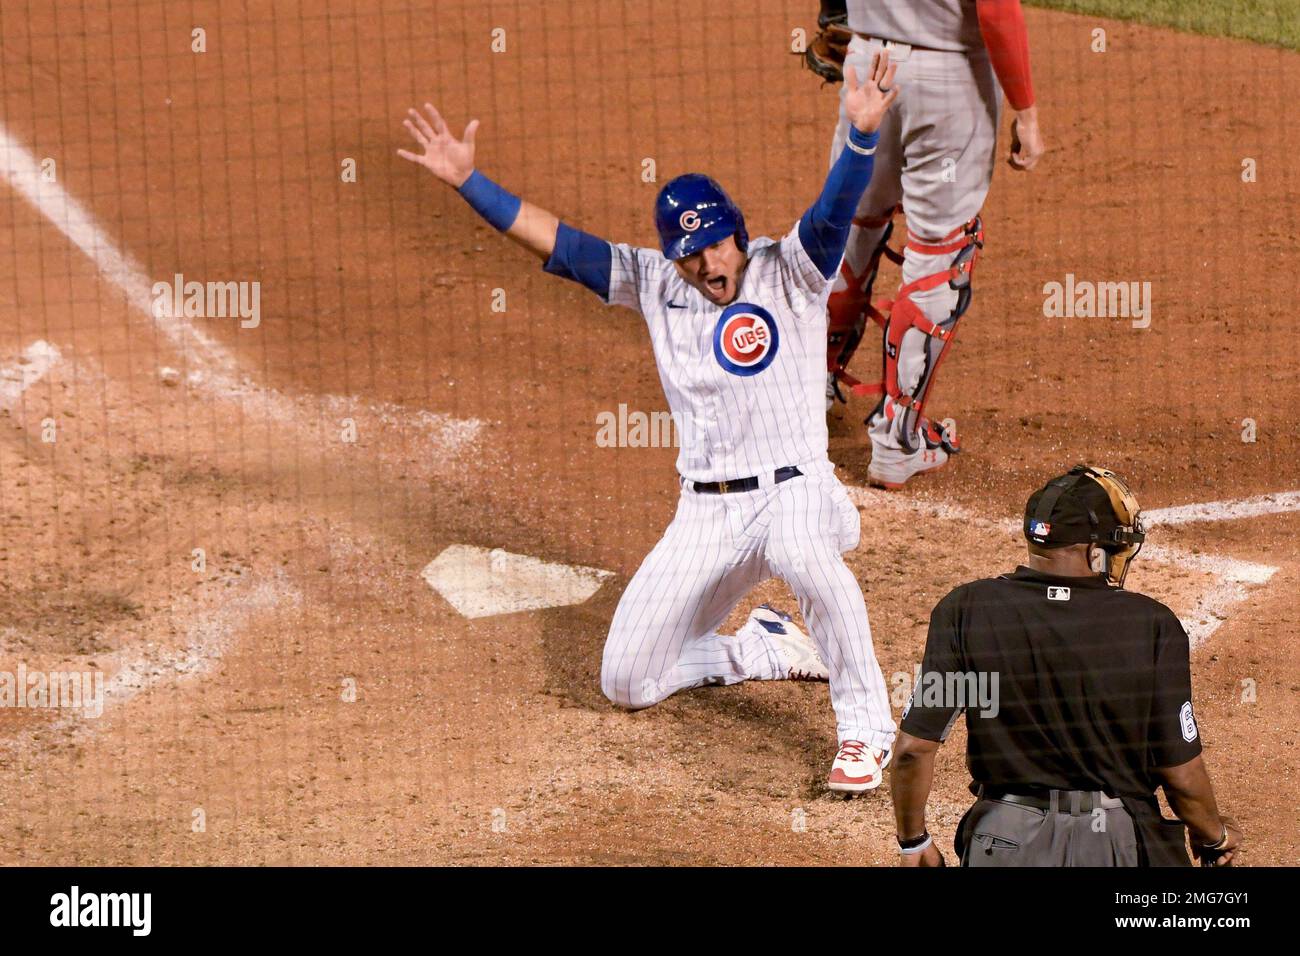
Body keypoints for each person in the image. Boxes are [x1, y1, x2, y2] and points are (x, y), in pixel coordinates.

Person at [398, 54, 903, 792]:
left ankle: (866, 729)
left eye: (714, 246)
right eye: (688, 255)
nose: (705, 265)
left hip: (795, 489)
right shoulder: (653, 282)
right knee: (627, 679)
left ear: (738, 233)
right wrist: (469, 181)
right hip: (706, 513)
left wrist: (860, 138)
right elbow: (560, 244)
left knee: (806, 556)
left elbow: (833, 214)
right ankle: (761, 649)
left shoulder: (789, 269)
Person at [888, 464, 1243, 865]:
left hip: (1005, 841)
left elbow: (913, 750)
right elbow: (1180, 773)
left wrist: (913, 842)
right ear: (1095, 551)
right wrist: (1214, 835)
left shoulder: (967, 610)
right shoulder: (1150, 624)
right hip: (1113, 840)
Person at [806, 0, 1045, 489]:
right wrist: (1027, 113)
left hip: (869, 66)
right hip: (946, 77)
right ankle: (897, 443)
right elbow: (998, 12)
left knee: (849, 228)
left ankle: (806, 392)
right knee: (939, 255)